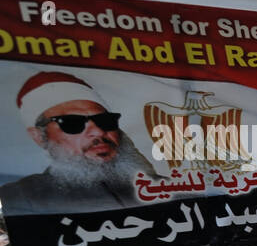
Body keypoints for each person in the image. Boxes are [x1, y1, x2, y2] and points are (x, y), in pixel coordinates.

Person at [5, 71, 154, 214]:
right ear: (39, 136)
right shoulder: (20, 197)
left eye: (105, 121)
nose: (98, 132)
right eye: (73, 123)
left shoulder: (160, 186)